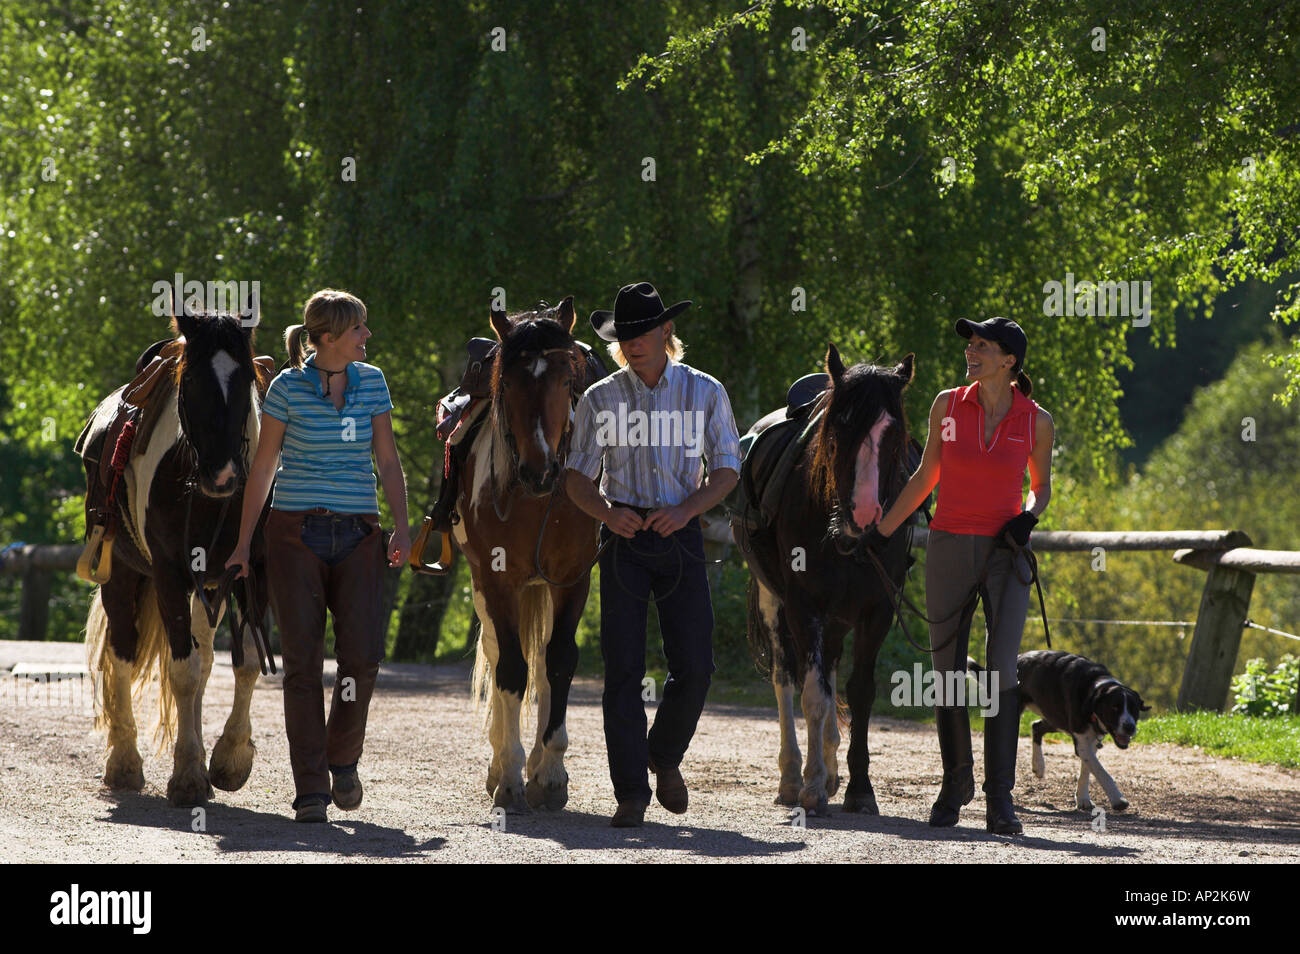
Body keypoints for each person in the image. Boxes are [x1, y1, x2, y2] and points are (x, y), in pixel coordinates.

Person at [226, 289, 410, 823]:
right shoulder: (286, 388)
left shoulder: (372, 382)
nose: (367, 336)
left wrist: (400, 525)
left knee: (363, 657)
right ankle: (311, 790)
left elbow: (389, 462)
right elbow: (262, 469)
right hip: (294, 536)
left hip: (360, 536)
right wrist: (242, 545)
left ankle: (342, 758)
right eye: (359, 329)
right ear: (328, 337)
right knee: (303, 666)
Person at [564, 281, 741, 828]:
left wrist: (687, 511)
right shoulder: (600, 398)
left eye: (642, 333)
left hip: (680, 537)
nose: (632, 344)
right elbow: (575, 477)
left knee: (696, 665)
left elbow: (728, 469)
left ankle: (662, 757)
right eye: (624, 336)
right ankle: (631, 795)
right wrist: (605, 513)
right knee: (623, 669)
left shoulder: (705, 391)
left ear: (667, 331)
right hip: (622, 538)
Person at [869, 317, 1054, 834]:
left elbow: (1041, 486)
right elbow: (928, 472)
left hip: (1006, 552)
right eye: (970, 344)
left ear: (1009, 360)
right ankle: (956, 783)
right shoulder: (947, 405)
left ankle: (1001, 798)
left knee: (1001, 672)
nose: (971, 351)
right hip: (949, 543)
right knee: (946, 670)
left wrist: (1029, 514)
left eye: (982, 345)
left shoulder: (1036, 421)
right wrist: (883, 527)